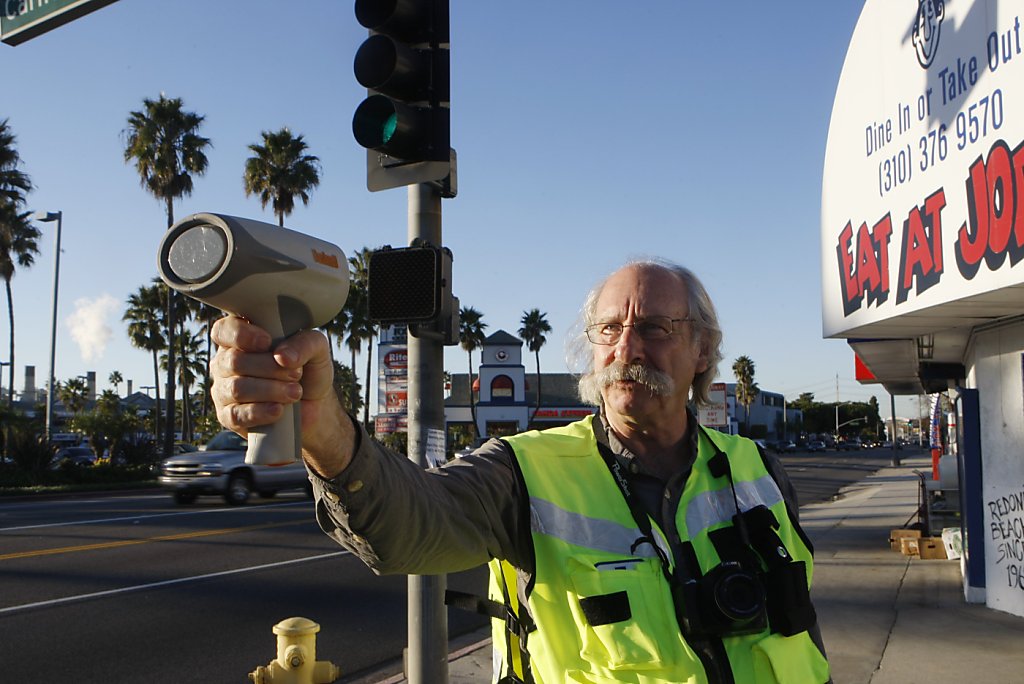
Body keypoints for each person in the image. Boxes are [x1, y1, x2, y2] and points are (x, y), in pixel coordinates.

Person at [210, 259, 831, 684]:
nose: (628, 348)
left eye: (654, 328)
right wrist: (325, 430)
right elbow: (410, 522)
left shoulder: (760, 472)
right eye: (610, 329)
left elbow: (799, 631)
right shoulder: (525, 471)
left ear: (702, 351)